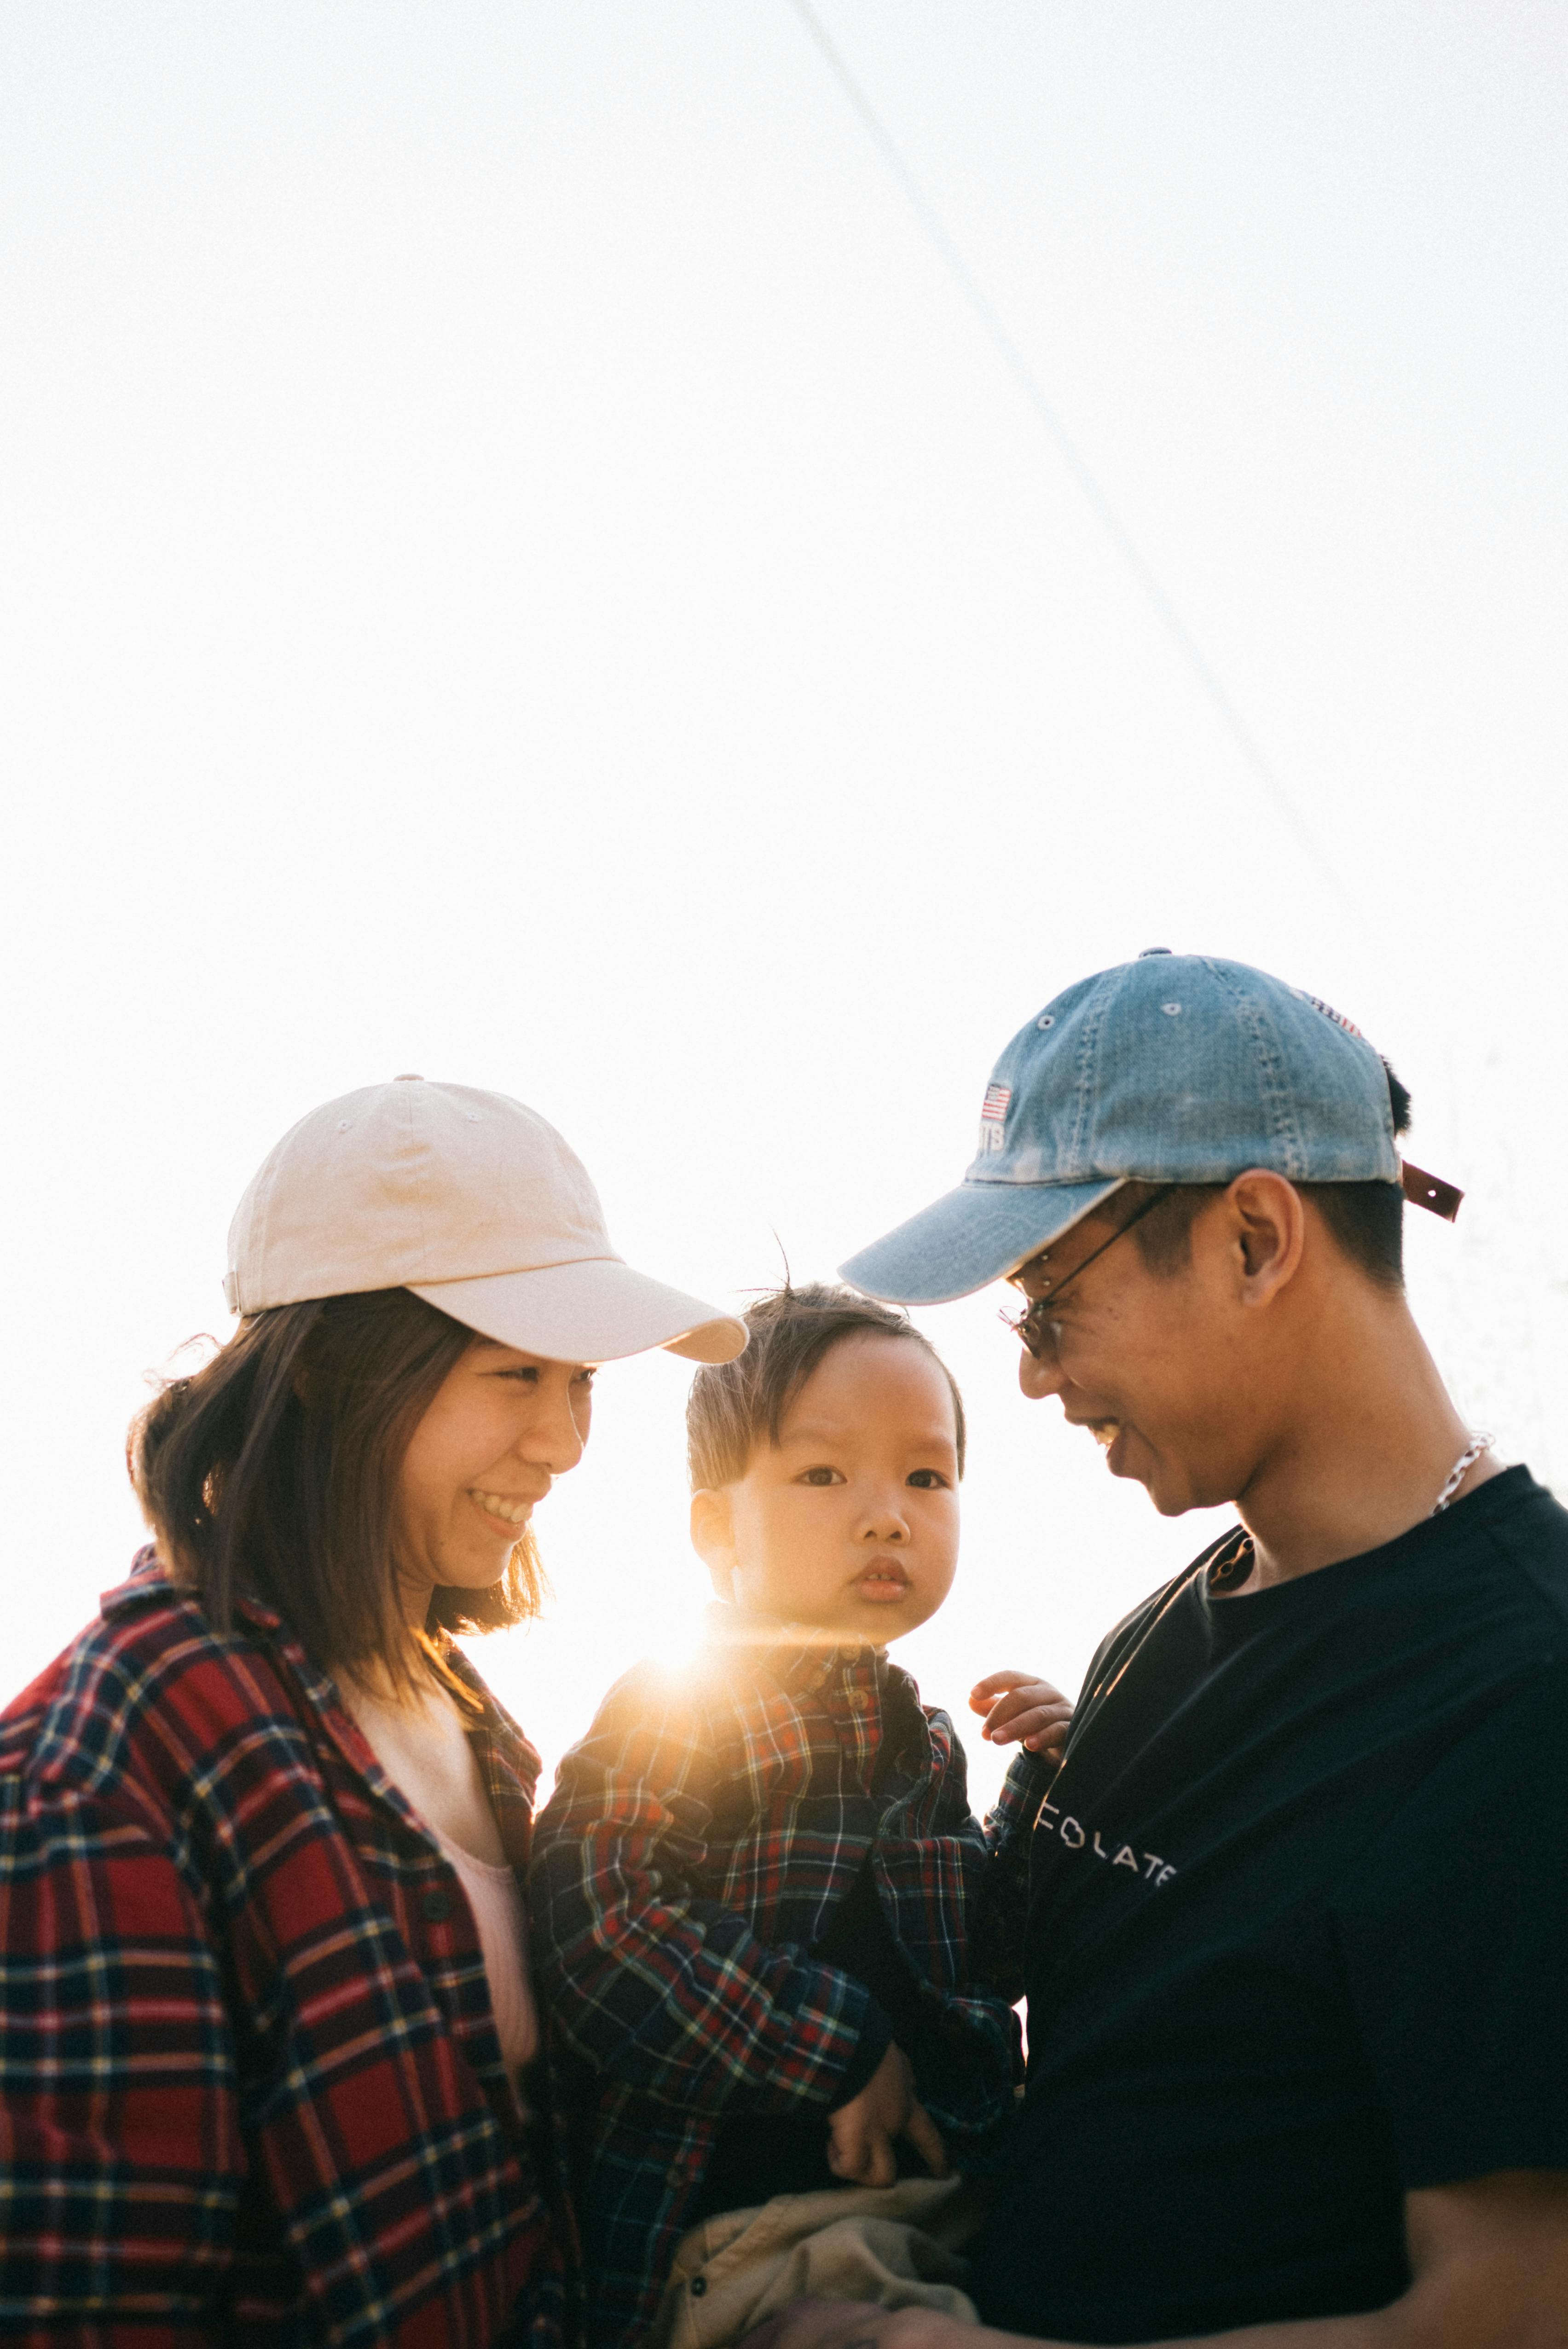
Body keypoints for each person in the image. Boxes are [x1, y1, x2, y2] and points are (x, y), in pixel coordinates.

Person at [750, 952, 1568, 2349]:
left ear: (1254, 1239)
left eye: (1047, 1299)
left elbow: (1508, 2315)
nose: (1032, 1373)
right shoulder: (1169, 1618)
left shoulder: (1524, 1695)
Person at [0, 1074, 745, 2348]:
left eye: (579, 1380)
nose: (566, 1440)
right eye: (515, 1372)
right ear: (329, 1373)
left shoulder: (469, 1714)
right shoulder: (118, 1753)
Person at [528, 1284, 1071, 2349]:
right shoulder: (687, 1701)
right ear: (716, 1526)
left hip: (934, 2207)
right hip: (750, 2242)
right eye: (825, 1474)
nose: (887, 1513)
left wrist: (1049, 1784)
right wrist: (841, 2049)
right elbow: (596, 1925)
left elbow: (984, 1955)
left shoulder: (923, 1740)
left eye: (926, 1477)